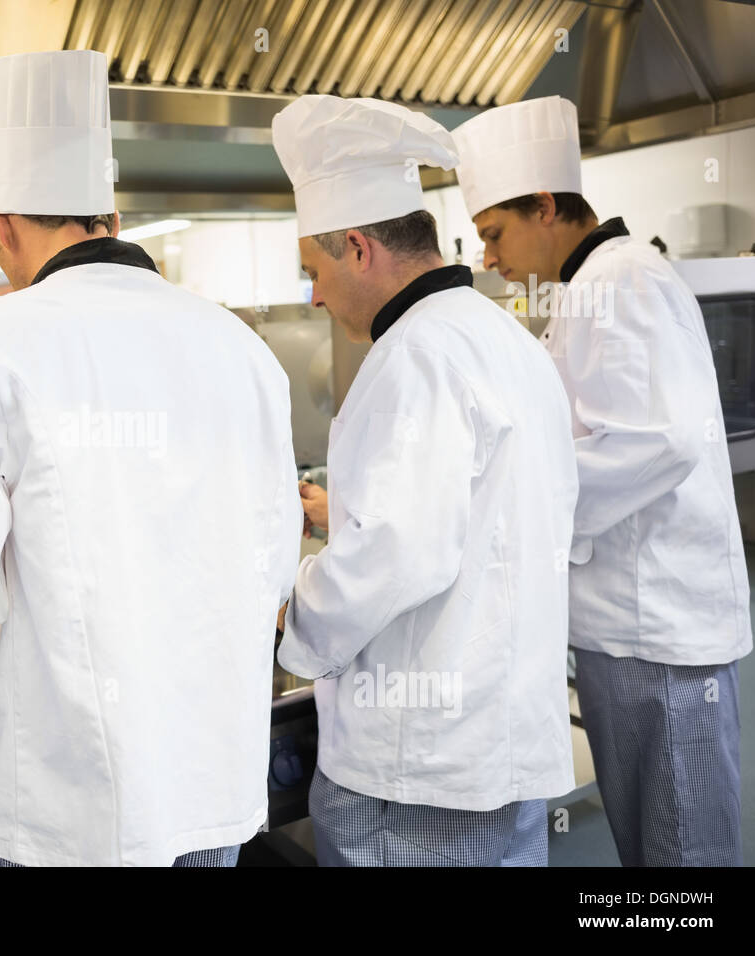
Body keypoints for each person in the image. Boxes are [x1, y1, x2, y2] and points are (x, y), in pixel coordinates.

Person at [0, 49, 302, 867]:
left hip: (68, 816)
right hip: (213, 799)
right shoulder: (242, 349)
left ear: (0, 227)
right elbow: (273, 571)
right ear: (114, 222)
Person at [272, 95, 579, 866]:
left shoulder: (414, 354)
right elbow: (481, 524)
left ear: (358, 248)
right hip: (498, 747)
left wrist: (290, 617)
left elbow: (399, 556)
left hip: (416, 778)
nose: (314, 295)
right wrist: (353, 516)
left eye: (314, 270)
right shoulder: (505, 341)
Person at [453, 95, 752, 866]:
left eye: (494, 234)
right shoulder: (588, 288)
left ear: (546, 207)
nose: (489, 257)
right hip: (627, 627)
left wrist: (521, 494)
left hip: (660, 632)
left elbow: (662, 441)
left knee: (682, 863)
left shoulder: (620, 283)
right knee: (651, 854)